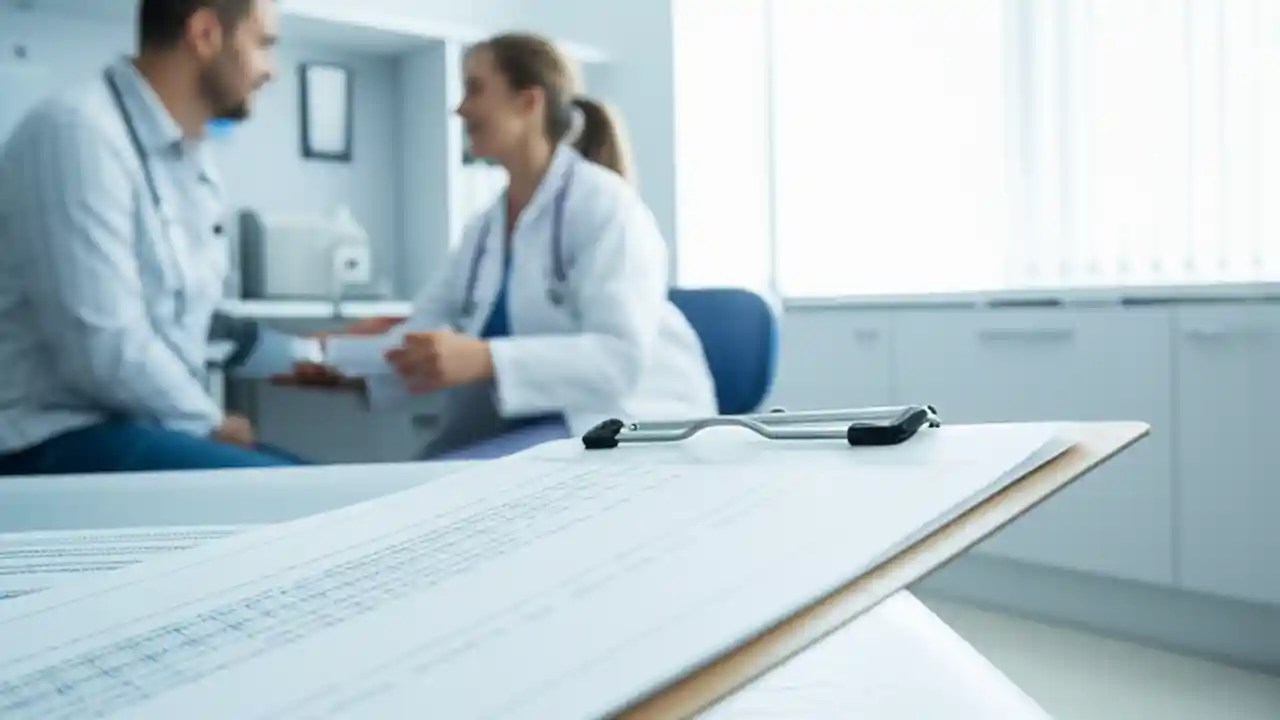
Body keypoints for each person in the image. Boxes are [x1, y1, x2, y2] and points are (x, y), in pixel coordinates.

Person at [293, 33, 717, 455]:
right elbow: (422, 330)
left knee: (445, 490)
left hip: (624, 418)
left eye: (475, 89)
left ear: (528, 102)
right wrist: (334, 358)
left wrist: (485, 359)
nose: (459, 108)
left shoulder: (605, 206)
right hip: (534, 422)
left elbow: (618, 359)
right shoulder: (484, 229)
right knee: (422, 478)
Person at [0, 0, 309, 474]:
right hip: (51, 439)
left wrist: (310, 353)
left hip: (138, 424)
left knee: (327, 486)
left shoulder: (189, 155)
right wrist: (209, 421)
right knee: (311, 502)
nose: (272, 71)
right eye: (263, 44)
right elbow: (102, 347)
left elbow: (188, 316)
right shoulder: (77, 133)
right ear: (205, 34)